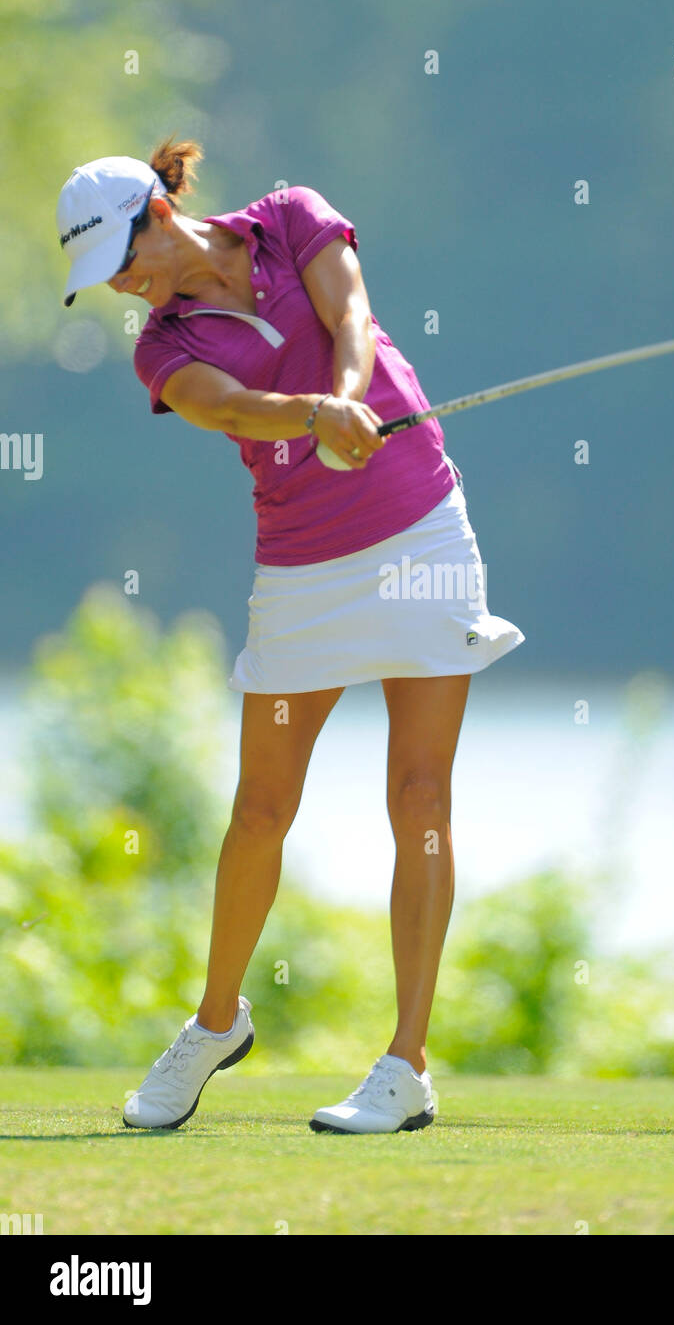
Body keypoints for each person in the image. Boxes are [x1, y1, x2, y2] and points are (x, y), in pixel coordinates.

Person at [56, 138, 524, 1134]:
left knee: (419, 794)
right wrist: (310, 411)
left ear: (155, 214)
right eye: (107, 283)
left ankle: (405, 1066)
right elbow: (222, 407)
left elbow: (349, 311)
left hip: (420, 531)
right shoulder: (162, 347)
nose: (123, 289)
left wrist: (346, 397)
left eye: (122, 264)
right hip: (302, 568)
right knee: (260, 804)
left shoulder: (289, 217)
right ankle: (215, 1022)